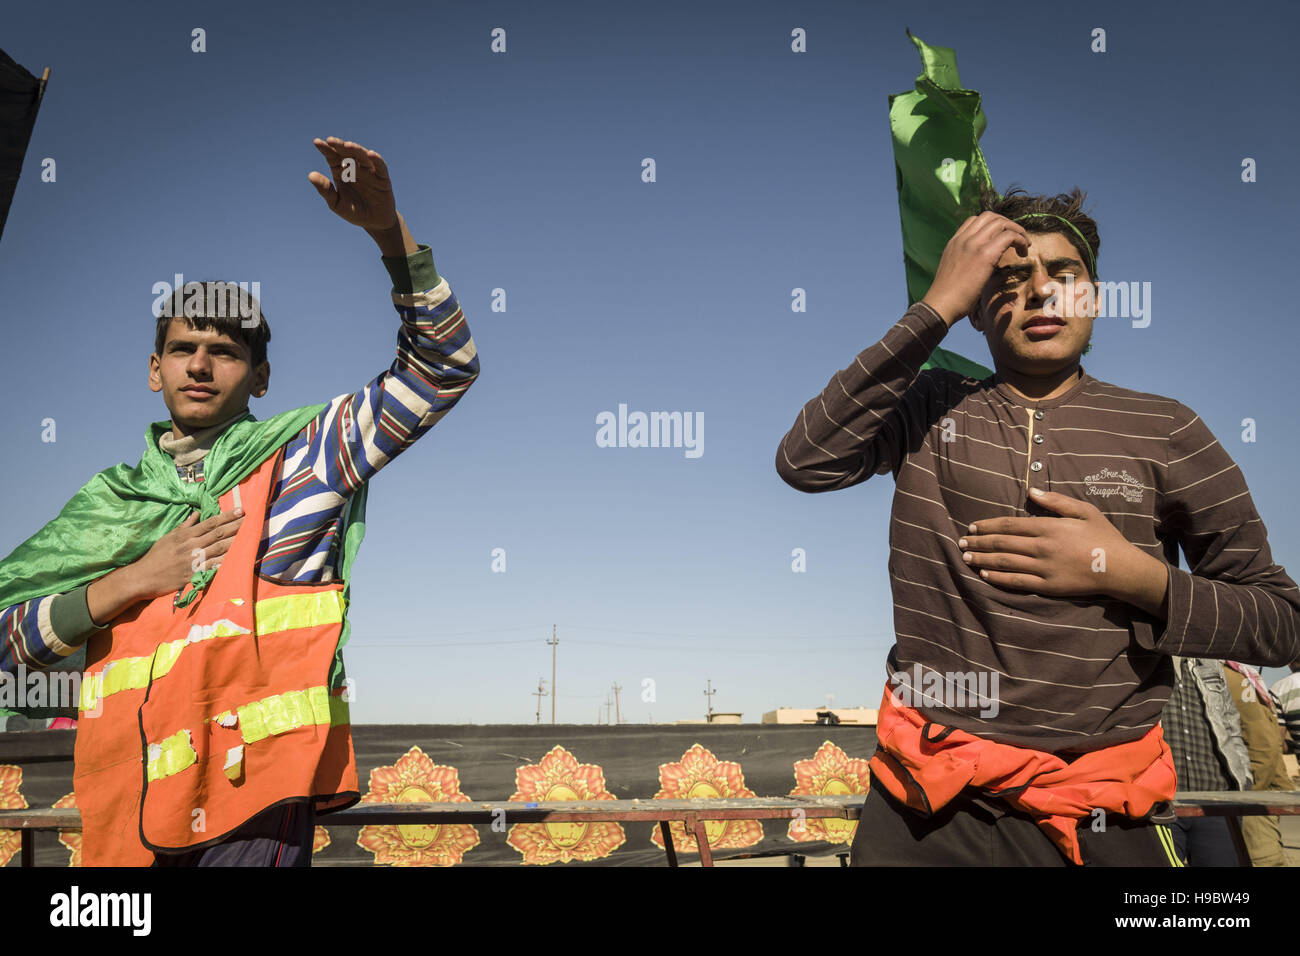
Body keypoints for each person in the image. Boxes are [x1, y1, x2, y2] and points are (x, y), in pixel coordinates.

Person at [775, 186, 1300, 866]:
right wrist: (933, 308)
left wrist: (1134, 574)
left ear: (1096, 296)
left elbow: (1281, 622)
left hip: (1106, 811)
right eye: (1007, 279)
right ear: (975, 307)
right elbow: (805, 460)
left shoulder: (1167, 427)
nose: (1040, 293)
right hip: (928, 804)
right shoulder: (929, 409)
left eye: (1064, 274)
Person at [0, 137, 479, 866]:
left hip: (253, 800)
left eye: (224, 352)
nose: (200, 364)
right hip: (123, 808)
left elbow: (441, 369)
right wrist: (132, 581)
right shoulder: (107, 504)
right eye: (185, 348)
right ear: (153, 369)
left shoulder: (306, 457)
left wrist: (390, 235)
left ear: (259, 378)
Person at [1160, 657, 1252, 866]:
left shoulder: (1210, 665)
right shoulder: (1145, 661)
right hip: (1161, 803)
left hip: (1216, 800)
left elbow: (1231, 723)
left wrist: (1244, 776)